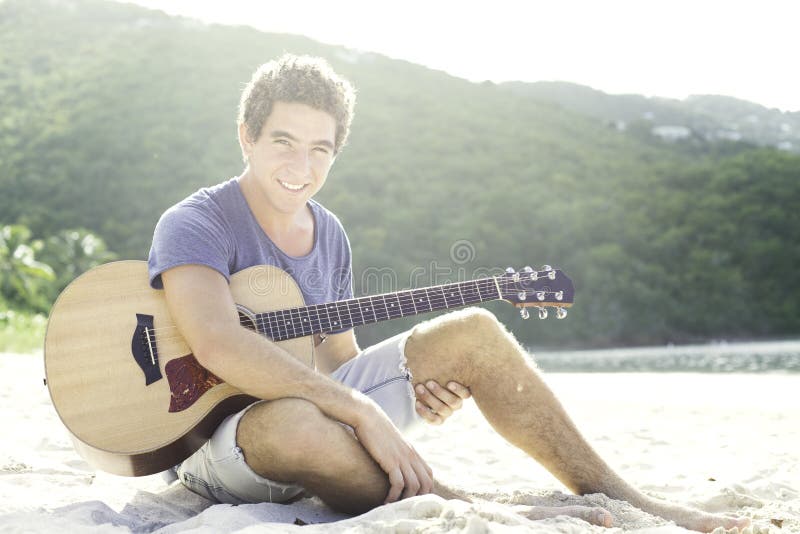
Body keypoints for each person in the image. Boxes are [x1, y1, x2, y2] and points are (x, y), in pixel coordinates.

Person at [148, 54, 748, 531]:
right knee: (298, 422)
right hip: (210, 437)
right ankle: (469, 503)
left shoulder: (328, 232)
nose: (300, 165)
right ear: (247, 136)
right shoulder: (198, 221)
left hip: (309, 413)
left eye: (320, 148)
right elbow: (218, 343)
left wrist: (412, 393)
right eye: (283, 141)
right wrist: (360, 409)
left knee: (476, 333)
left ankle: (628, 499)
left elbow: (341, 364)